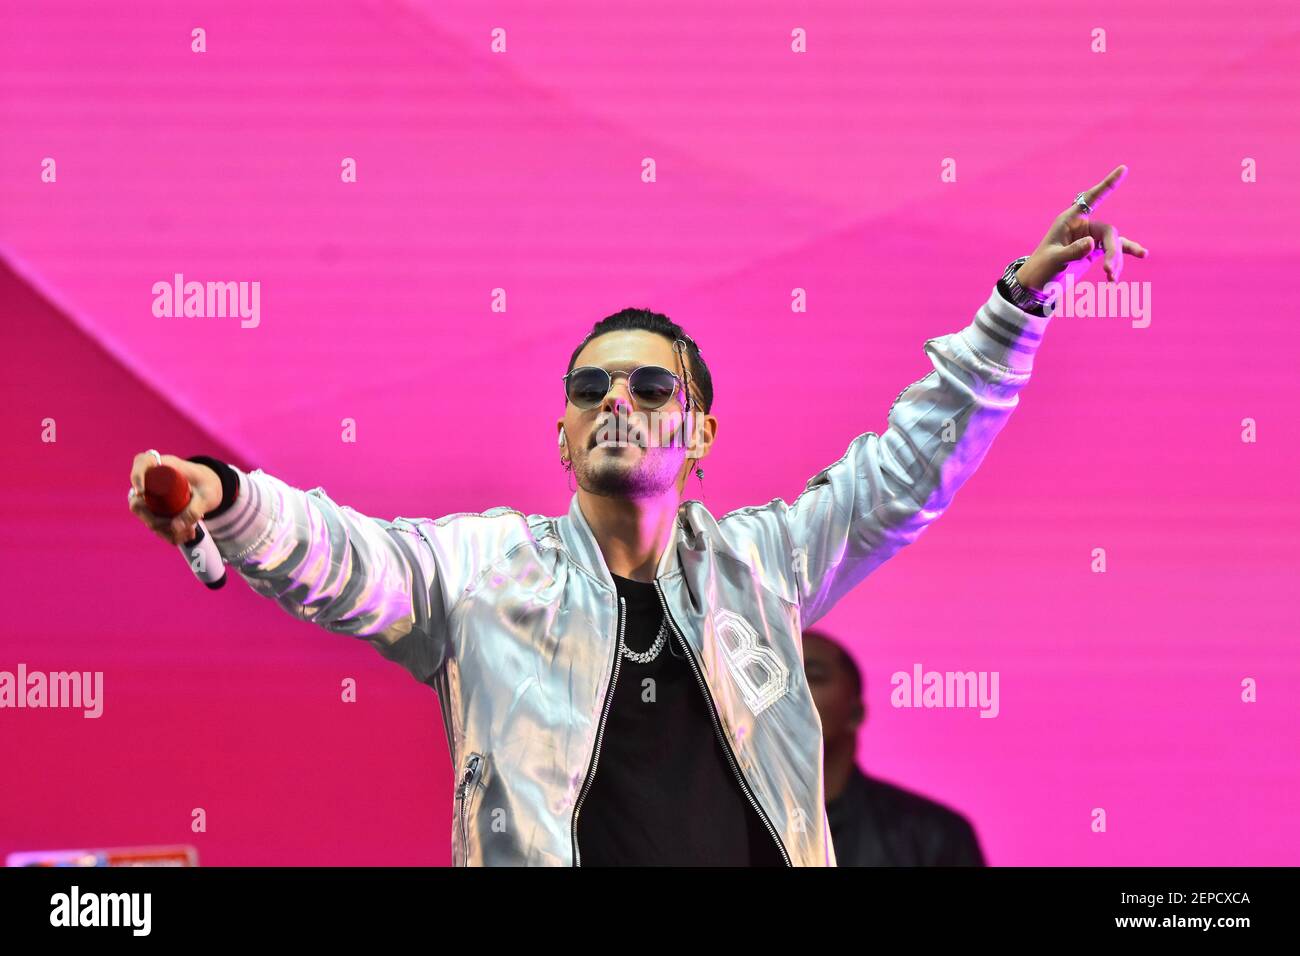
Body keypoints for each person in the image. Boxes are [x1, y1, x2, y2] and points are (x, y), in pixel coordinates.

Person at [127, 167, 1146, 866]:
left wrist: (1013, 307)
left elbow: (905, 470)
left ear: (699, 434)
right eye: (590, 387)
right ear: (561, 435)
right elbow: (342, 556)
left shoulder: (764, 565)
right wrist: (225, 490)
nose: (618, 400)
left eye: (652, 386)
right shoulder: (485, 574)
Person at [802, 630, 986, 866]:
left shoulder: (933, 835)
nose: (792, 689)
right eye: (780, 675)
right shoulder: (741, 827)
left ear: (856, 713)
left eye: (813, 675)